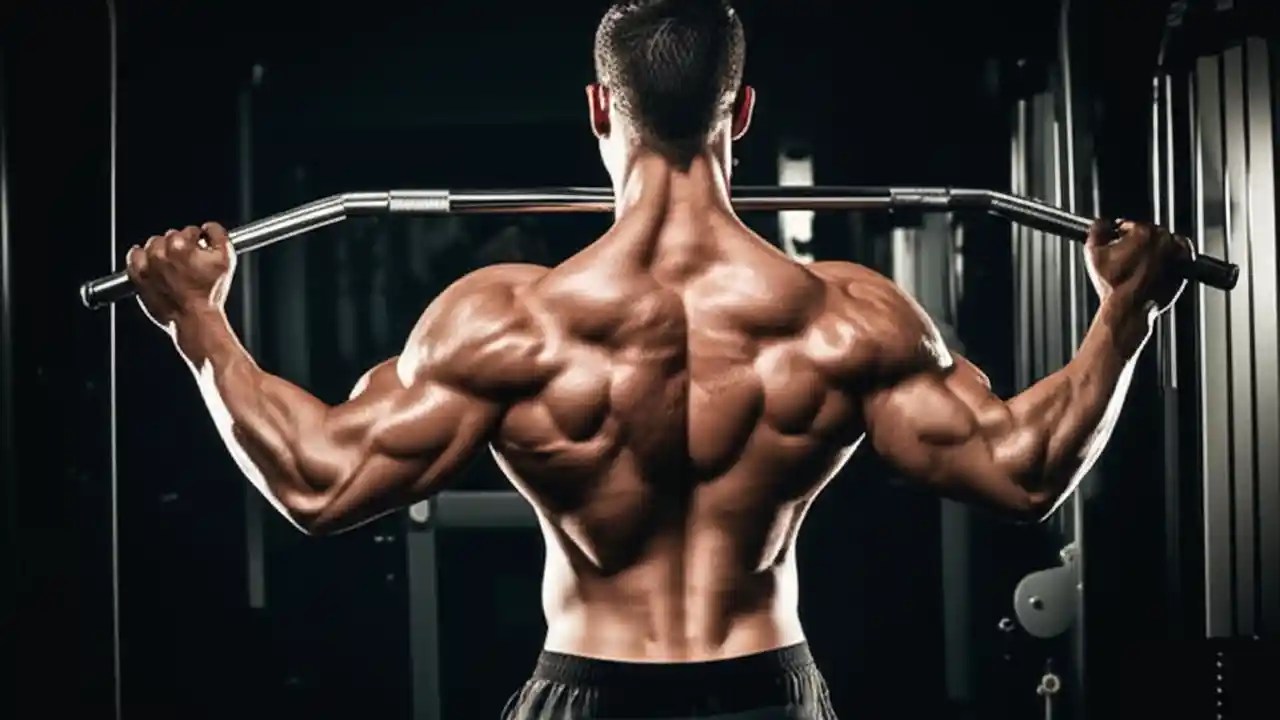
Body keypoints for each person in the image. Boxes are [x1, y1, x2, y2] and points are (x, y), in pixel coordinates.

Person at [123, 1, 1191, 717]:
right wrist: (1122, 315)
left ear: (598, 106)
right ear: (742, 111)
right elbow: (1021, 470)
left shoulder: (511, 324)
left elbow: (320, 483)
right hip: (766, 691)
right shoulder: (845, 319)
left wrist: (198, 324)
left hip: (586, 689)